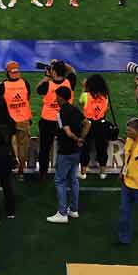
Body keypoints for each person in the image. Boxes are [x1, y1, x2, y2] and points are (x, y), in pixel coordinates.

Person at [46, 86, 88, 223]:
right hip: (76, 151)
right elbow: (87, 123)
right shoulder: (75, 109)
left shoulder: (62, 112)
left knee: (60, 181)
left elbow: (68, 132)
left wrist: (77, 138)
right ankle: (74, 210)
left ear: (60, 97)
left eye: (57, 96)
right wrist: (82, 138)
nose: (55, 98)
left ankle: (62, 213)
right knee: (74, 180)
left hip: (65, 151)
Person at [35, 60, 76, 181]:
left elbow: (38, 89)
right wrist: (60, 63)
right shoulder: (69, 82)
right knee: (66, 147)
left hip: (47, 120)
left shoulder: (47, 84)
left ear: (53, 71)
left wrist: (47, 77)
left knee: (45, 148)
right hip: (64, 120)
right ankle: (67, 172)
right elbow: (72, 70)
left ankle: (43, 173)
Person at [0, 62, 32, 178]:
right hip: (24, 119)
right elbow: (28, 99)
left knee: (8, 145)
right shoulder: (25, 83)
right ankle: (21, 171)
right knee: (23, 146)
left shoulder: (3, 85)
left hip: (9, 120)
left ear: (7, 72)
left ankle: (11, 165)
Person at [78, 74, 112, 180]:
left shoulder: (86, 95)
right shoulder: (105, 96)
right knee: (102, 147)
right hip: (101, 124)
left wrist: (83, 88)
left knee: (85, 148)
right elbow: (107, 109)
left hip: (88, 124)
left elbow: (80, 103)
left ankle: (83, 172)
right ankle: (102, 172)